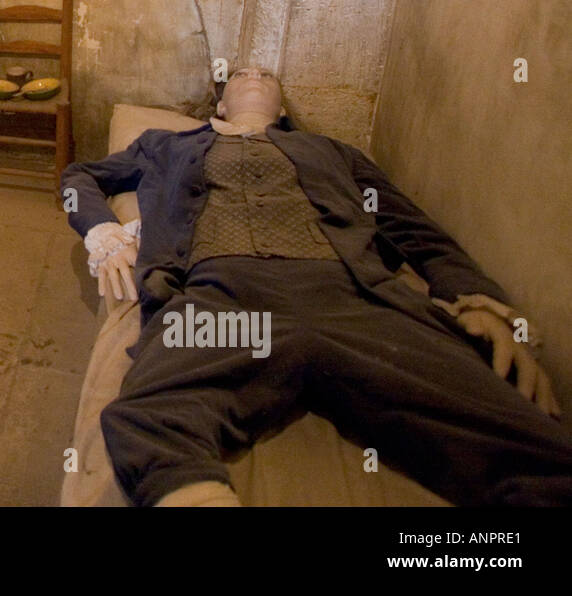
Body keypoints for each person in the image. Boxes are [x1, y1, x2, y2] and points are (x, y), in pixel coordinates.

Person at [60, 66, 572, 507]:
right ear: (221, 101)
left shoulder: (333, 152)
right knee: (145, 417)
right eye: (241, 73)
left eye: (267, 76)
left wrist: (475, 300)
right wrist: (104, 232)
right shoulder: (168, 145)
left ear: (281, 109)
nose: (255, 76)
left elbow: (411, 226)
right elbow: (80, 176)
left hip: (351, 295)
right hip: (222, 290)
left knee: (534, 444)